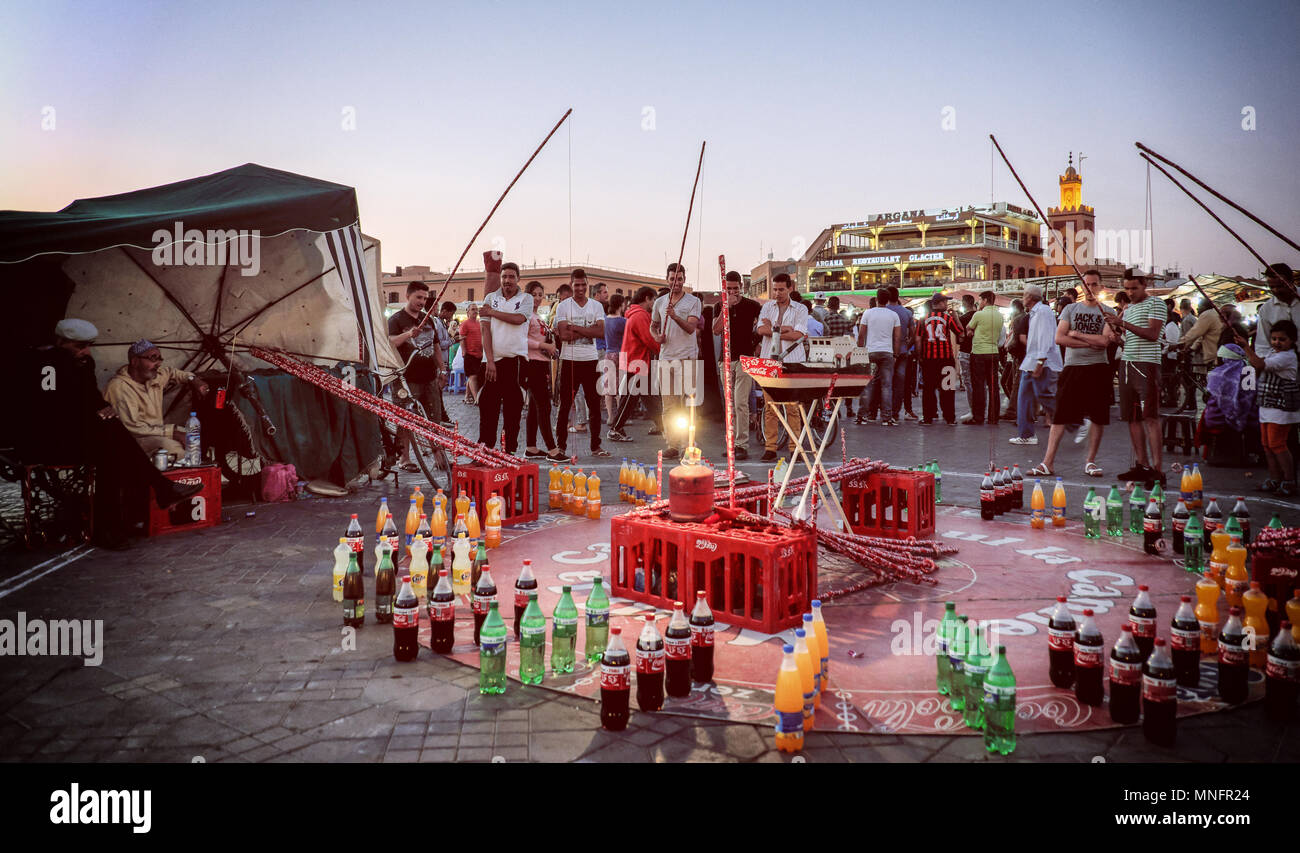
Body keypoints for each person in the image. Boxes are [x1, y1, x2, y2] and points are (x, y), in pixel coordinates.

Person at [15, 319, 203, 549]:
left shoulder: (81, 363)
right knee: (111, 435)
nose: (85, 351)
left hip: (69, 438)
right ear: (61, 342)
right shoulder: (41, 362)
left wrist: (104, 410)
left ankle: (113, 528)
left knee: (111, 449)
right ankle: (157, 491)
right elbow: (48, 409)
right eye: (79, 346)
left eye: (88, 345)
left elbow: (92, 401)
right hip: (42, 442)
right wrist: (96, 412)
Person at [1031, 271, 1116, 475]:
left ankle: (1090, 461)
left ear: (1100, 287)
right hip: (1073, 368)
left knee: (1098, 416)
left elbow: (1104, 342)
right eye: (1086, 285)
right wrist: (1090, 340)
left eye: (1094, 284)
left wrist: (1076, 334)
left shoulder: (1107, 311)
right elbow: (1060, 338)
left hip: (1098, 368)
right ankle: (1047, 462)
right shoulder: (1070, 308)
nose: (1090, 289)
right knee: (1061, 415)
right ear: (1081, 287)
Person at [1105, 270, 1167, 483]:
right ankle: (1142, 464)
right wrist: (1118, 337)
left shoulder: (1156, 304)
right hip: (1127, 363)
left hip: (1147, 364)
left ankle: (1158, 469)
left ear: (1144, 285)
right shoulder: (1128, 308)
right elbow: (1129, 339)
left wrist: (1123, 324)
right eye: (1127, 288)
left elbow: (1152, 334)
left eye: (1134, 288)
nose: (1130, 293)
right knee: (1132, 417)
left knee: (1150, 416)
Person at [104, 339, 209, 458]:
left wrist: (193, 380)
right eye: (153, 358)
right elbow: (133, 427)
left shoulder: (153, 377)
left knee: (194, 437)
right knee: (173, 449)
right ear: (135, 361)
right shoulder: (119, 387)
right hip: (131, 439)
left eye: (160, 359)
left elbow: (172, 373)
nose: (158, 364)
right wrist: (172, 433)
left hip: (155, 433)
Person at [387, 282, 445, 471]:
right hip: (406, 378)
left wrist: (442, 370)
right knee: (406, 419)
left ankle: (439, 457)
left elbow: (436, 345)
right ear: (408, 296)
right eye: (418, 297)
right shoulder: (396, 319)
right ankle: (405, 459)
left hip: (429, 377)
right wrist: (408, 334)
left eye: (425, 298)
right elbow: (390, 342)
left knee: (434, 418)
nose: (422, 302)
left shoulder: (428, 319)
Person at [1236, 319, 1299, 495]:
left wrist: (1245, 347)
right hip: (1267, 405)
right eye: (1274, 339)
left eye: (1282, 339)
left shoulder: (1287, 357)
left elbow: (1259, 364)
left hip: (1281, 408)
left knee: (1277, 444)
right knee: (1267, 445)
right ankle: (1274, 479)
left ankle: (1289, 480)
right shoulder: (1273, 353)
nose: (1277, 343)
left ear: (1292, 340)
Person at [477, 261, 533, 454]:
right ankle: (485, 448)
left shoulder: (526, 299)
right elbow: (485, 330)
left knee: (512, 407)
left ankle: (509, 451)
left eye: (511, 276)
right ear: (500, 278)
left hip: (515, 361)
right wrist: (490, 360)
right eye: (504, 277)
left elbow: (518, 320)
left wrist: (491, 312)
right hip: (492, 361)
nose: (507, 280)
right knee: (487, 404)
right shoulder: (490, 297)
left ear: (518, 279)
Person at [554, 269, 610, 459]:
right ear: (571, 284)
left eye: (583, 285)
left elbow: (601, 332)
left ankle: (596, 446)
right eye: (576, 285)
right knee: (565, 406)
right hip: (569, 360)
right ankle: (560, 447)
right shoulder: (563, 306)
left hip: (590, 359)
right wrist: (588, 330)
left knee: (594, 406)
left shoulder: (596, 306)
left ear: (587, 285)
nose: (580, 288)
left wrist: (575, 328)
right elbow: (563, 335)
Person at [651, 263, 703, 459]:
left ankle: (688, 444)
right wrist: (656, 337)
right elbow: (653, 325)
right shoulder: (659, 302)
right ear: (667, 280)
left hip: (687, 358)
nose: (676, 283)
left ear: (684, 280)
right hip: (666, 358)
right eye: (672, 279)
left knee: (688, 404)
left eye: (679, 279)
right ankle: (672, 444)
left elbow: (691, 328)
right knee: (669, 405)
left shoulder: (693, 302)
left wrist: (674, 316)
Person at [756, 273, 809, 461]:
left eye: (781, 289)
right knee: (770, 406)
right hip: (769, 362)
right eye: (775, 289)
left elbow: (799, 334)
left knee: (793, 407)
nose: (777, 293)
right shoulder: (767, 307)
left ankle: (795, 447)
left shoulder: (800, 309)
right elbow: (760, 330)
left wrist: (774, 330)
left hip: (792, 361)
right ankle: (770, 447)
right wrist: (784, 328)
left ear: (790, 288)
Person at [712, 270, 761, 459]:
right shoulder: (719, 306)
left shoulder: (752, 305)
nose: (733, 292)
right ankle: (731, 442)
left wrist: (758, 345)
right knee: (729, 404)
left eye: (735, 288)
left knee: (741, 402)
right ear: (724, 289)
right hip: (725, 359)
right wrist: (726, 307)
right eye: (728, 289)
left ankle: (742, 444)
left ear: (741, 287)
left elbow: (763, 327)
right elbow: (716, 331)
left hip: (744, 358)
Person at [1009, 284, 1062, 446]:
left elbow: (1045, 338)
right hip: (1031, 362)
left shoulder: (1043, 312)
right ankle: (1026, 434)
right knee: (1024, 397)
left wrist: (1040, 361)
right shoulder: (1035, 313)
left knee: (1044, 396)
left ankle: (1075, 421)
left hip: (1041, 362)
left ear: (1030, 297)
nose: (1023, 297)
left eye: (1025, 295)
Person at [608, 286, 660, 440]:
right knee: (630, 398)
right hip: (637, 361)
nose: (654, 304)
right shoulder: (640, 316)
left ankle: (662, 425)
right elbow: (650, 339)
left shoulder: (635, 314)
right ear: (647, 299)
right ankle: (615, 428)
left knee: (648, 397)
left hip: (635, 359)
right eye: (654, 300)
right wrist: (662, 349)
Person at [521, 281, 563, 461]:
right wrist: (543, 344)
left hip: (541, 362)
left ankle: (531, 447)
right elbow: (520, 340)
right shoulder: (524, 315)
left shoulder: (536, 315)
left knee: (534, 407)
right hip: (532, 364)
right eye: (534, 294)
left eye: (540, 295)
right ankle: (552, 450)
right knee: (544, 407)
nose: (537, 298)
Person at [916, 293, 963, 425]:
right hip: (946, 359)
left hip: (929, 359)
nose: (946, 304)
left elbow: (918, 339)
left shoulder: (922, 319)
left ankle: (928, 417)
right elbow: (961, 333)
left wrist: (920, 356)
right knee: (947, 389)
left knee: (928, 389)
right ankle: (950, 418)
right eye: (945, 302)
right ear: (939, 303)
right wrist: (956, 317)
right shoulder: (948, 318)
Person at [855, 291, 901, 426]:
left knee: (867, 385)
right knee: (886, 386)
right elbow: (897, 337)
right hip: (887, 352)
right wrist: (896, 354)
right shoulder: (893, 315)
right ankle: (886, 417)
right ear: (887, 301)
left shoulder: (868, 313)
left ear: (876, 299)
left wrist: (860, 351)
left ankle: (862, 415)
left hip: (870, 352)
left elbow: (861, 335)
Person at [964, 290, 1003, 426]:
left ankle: (978, 417)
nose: (979, 302)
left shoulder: (978, 314)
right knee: (993, 387)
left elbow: (968, 328)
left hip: (979, 352)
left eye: (980, 300)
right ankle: (993, 417)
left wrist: (971, 332)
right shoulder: (999, 315)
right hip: (993, 352)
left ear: (985, 300)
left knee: (978, 386)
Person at [883, 287, 918, 421]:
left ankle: (885, 410)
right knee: (900, 382)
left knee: (886, 383)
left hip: (887, 350)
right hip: (903, 351)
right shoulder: (907, 313)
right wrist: (907, 345)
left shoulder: (884, 311)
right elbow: (914, 334)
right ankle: (895, 412)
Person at [1255, 263, 1300, 357]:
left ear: (1291, 282)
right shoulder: (1266, 310)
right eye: (1272, 287)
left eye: (1280, 286)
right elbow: (1262, 346)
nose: (1276, 290)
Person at [602, 294, 627, 424]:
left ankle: (610, 417)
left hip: (608, 354)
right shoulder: (623, 321)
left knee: (608, 388)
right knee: (620, 388)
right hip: (620, 354)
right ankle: (619, 417)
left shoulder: (605, 320)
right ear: (621, 305)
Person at [1001, 298, 1027, 420]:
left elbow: (1016, 340)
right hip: (1024, 354)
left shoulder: (1018, 319)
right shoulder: (1027, 317)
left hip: (1019, 355)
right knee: (1017, 383)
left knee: (1016, 383)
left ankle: (1013, 411)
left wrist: (1008, 348)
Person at [957, 293, 977, 420]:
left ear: (964, 303)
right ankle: (979, 409)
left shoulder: (963, 318)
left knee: (968, 382)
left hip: (965, 351)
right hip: (977, 351)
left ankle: (972, 410)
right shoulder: (978, 316)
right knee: (978, 382)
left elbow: (960, 337)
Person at [458, 303, 483, 404]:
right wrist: (464, 351)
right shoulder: (465, 323)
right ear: (468, 312)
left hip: (479, 353)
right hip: (469, 353)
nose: (475, 311)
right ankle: (477, 398)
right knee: (473, 376)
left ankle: (467, 396)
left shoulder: (479, 323)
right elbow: (461, 338)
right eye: (473, 309)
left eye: (476, 309)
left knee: (473, 376)